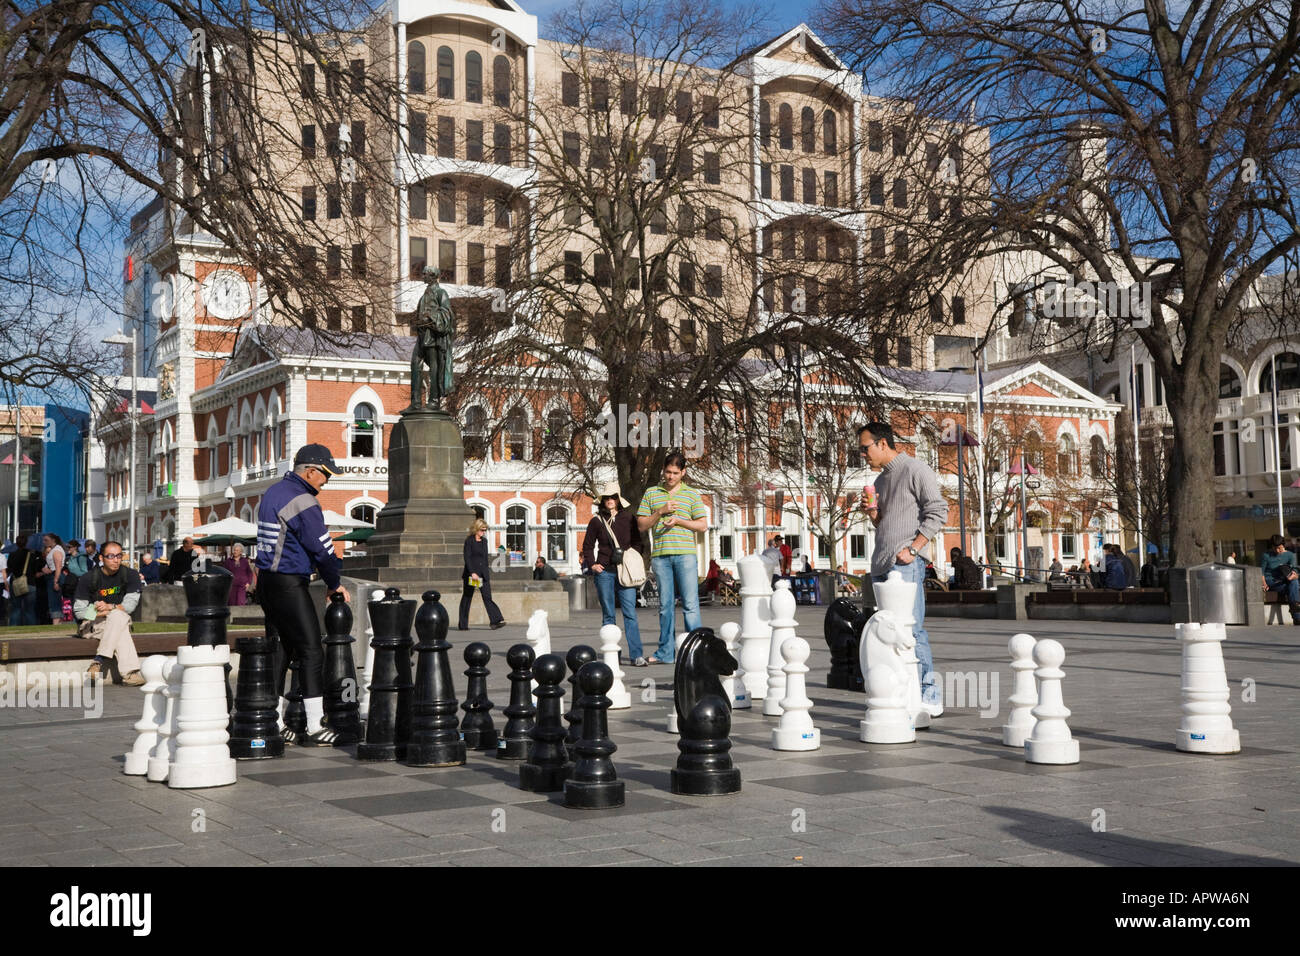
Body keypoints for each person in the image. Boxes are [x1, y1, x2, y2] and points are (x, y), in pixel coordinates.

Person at [254, 444, 351, 746]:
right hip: (288, 583)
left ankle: (272, 719)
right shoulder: (304, 500)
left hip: (267, 583)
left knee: (279, 650)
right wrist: (335, 584)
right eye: (325, 475)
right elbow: (322, 551)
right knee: (311, 650)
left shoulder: (272, 492)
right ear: (310, 471)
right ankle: (314, 726)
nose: (326, 481)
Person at [858, 422, 947, 716]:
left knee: (913, 630)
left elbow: (938, 511)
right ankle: (902, 691)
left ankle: (929, 695)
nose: (863, 454)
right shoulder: (881, 481)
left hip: (905, 564)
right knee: (888, 633)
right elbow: (886, 524)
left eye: (865, 448)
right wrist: (874, 514)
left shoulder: (915, 469)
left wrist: (913, 549)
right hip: (882, 564)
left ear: (883, 444)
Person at [637, 451, 707, 665]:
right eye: (668, 472)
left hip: (686, 555)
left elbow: (702, 525)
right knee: (665, 606)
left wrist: (678, 520)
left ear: (683, 472)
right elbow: (641, 525)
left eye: (675, 473)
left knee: (690, 605)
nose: (670, 477)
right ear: (663, 471)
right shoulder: (651, 493)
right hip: (661, 556)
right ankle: (666, 652)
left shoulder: (692, 494)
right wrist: (660, 511)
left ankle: (695, 652)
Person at [582, 482, 646, 665]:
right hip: (605, 572)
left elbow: (638, 542)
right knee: (608, 614)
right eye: (607, 498)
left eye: (613, 497)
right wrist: (593, 564)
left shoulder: (629, 518)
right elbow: (587, 546)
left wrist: (631, 557)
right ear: (602, 501)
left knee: (630, 613)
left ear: (619, 499)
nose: (610, 500)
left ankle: (636, 655)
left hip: (625, 572)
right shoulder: (596, 521)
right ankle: (613, 656)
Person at [75, 541, 145, 685]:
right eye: (111, 556)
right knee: (119, 620)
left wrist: (109, 607)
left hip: (116, 622)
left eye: (119, 555)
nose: (116, 560)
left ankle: (98, 661)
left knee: (118, 617)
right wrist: (99, 610)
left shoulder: (130, 575)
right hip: (92, 625)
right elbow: (80, 613)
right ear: (101, 558)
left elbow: (130, 606)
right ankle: (130, 674)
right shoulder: (88, 578)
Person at [460, 518, 506, 630]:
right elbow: (467, 558)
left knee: (487, 597)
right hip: (472, 575)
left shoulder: (484, 541)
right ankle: (463, 624)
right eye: (482, 530)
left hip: (483, 574)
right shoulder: (469, 541)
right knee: (467, 598)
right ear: (476, 529)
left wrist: (486, 573)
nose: (483, 532)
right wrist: (472, 572)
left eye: (485, 530)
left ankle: (495, 621)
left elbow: (485, 558)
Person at [1261, 533, 1300, 625]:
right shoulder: (1266, 555)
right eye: (1276, 548)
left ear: (1284, 546)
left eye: (1280, 548)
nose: (1278, 550)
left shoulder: (1290, 555)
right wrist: (1264, 583)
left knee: (1294, 582)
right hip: (1272, 581)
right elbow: (1261, 572)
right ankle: (1297, 616)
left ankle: (1296, 613)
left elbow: (1295, 571)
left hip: (1285, 581)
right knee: (1294, 586)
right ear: (1271, 547)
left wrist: (1295, 575)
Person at [35, 533, 66, 624]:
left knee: (54, 602)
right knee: (54, 601)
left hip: (54, 577)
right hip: (51, 575)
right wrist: (45, 570)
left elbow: (58, 566)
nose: (44, 542)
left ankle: (56, 623)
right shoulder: (53, 550)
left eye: (46, 540)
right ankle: (57, 622)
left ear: (53, 540)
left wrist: (56, 581)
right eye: (44, 540)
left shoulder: (56, 550)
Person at [5, 535, 36, 626]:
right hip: (30, 582)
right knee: (30, 609)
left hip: (16, 583)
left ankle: (13, 627)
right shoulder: (32, 555)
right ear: (27, 543)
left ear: (17, 543)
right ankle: (31, 629)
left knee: (15, 608)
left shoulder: (12, 555)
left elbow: (9, 569)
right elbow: (35, 569)